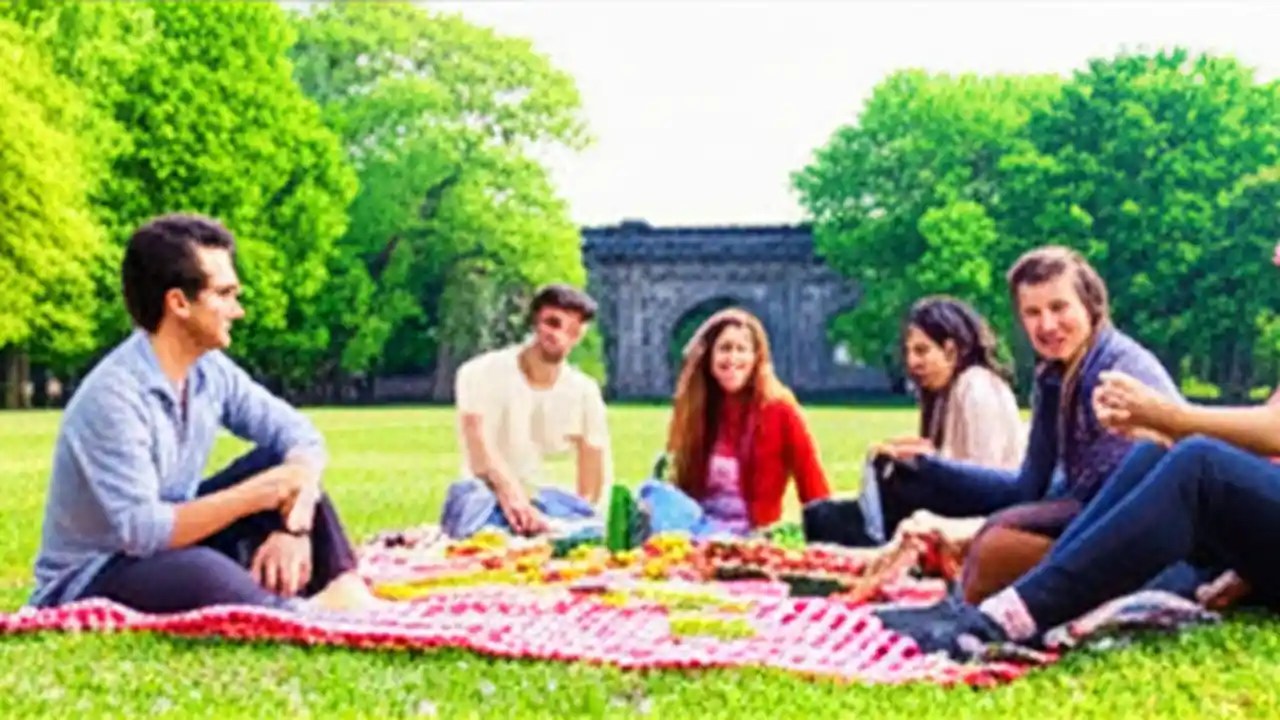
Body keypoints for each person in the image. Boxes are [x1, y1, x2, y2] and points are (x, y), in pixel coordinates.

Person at [29, 213, 372, 615]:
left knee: (278, 462)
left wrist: (292, 525)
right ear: (178, 303)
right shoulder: (114, 397)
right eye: (225, 294)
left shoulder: (210, 371)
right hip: (97, 571)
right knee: (200, 569)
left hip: (169, 543)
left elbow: (301, 437)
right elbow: (143, 532)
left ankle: (344, 585)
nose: (238, 310)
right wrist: (258, 494)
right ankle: (297, 612)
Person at [803, 296, 1025, 546]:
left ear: (951, 350)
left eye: (921, 351)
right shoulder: (947, 393)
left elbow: (983, 480)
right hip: (957, 513)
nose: (912, 362)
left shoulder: (976, 386)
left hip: (984, 524)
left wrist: (924, 463)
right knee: (822, 515)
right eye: (908, 352)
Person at [633, 308, 831, 538]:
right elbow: (679, 486)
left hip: (751, 534)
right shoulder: (695, 409)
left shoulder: (780, 409)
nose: (733, 358)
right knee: (651, 492)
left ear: (756, 356)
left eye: (742, 350)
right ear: (709, 356)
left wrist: (828, 541)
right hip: (698, 527)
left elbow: (813, 484)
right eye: (725, 349)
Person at [440, 284, 613, 539]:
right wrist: (513, 498)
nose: (560, 336)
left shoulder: (584, 391)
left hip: (550, 505)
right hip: (488, 496)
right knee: (472, 501)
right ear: (535, 322)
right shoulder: (479, 373)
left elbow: (592, 474)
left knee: (582, 523)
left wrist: (574, 519)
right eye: (552, 323)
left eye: (572, 330)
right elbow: (479, 452)